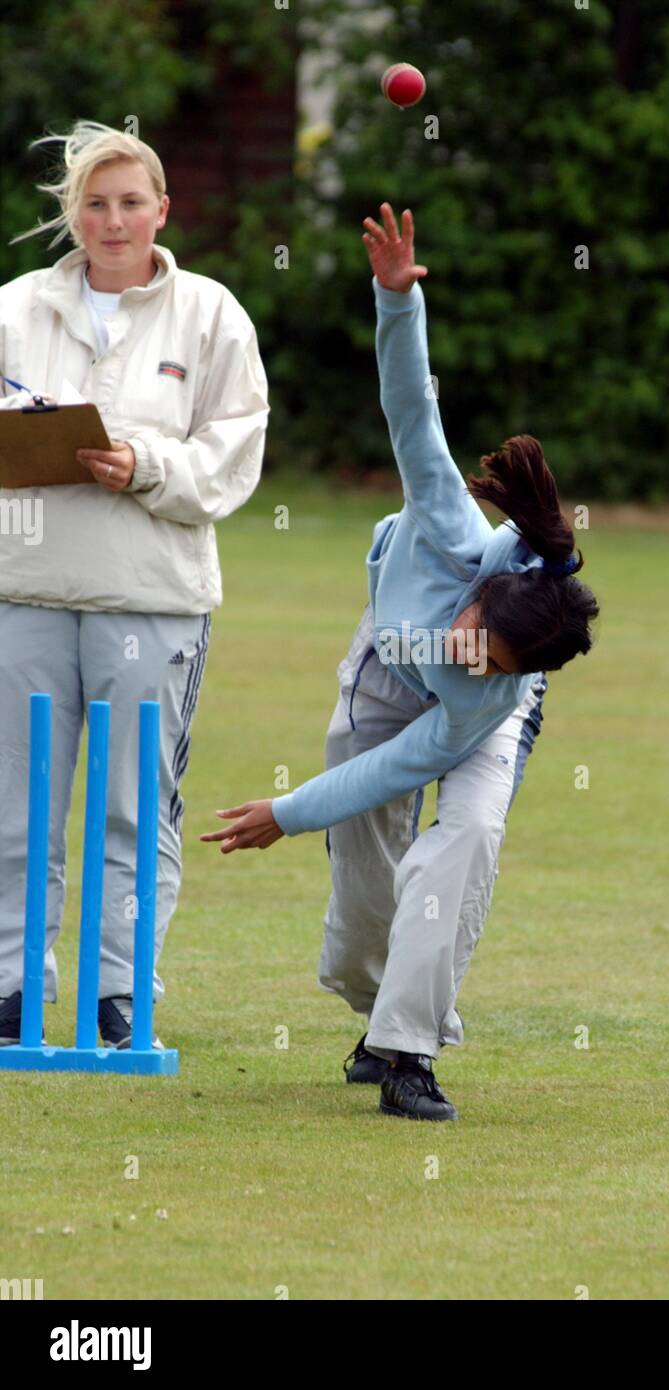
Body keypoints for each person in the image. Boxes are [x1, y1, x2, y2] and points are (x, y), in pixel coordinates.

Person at [201, 203, 598, 1121]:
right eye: (475, 633)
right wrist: (395, 302)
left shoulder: (487, 695)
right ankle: (376, 1010)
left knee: (462, 845)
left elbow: (405, 763)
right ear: (482, 588)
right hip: (383, 662)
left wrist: (285, 812)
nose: (469, 653)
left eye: (488, 659)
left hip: (471, 725)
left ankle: (408, 1053)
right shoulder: (449, 527)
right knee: (361, 903)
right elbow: (412, 408)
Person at [0, 120, 269, 1049]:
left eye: (129, 204)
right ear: (72, 213)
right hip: (23, 588)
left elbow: (233, 459)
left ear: (162, 209)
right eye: (94, 204)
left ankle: (119, 996)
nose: (112, 222)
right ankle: (12, 991)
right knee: (17, 803)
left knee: (132, 806)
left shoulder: (211, 314)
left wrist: (141, 464)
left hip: (151, 601)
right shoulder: (17, 308)